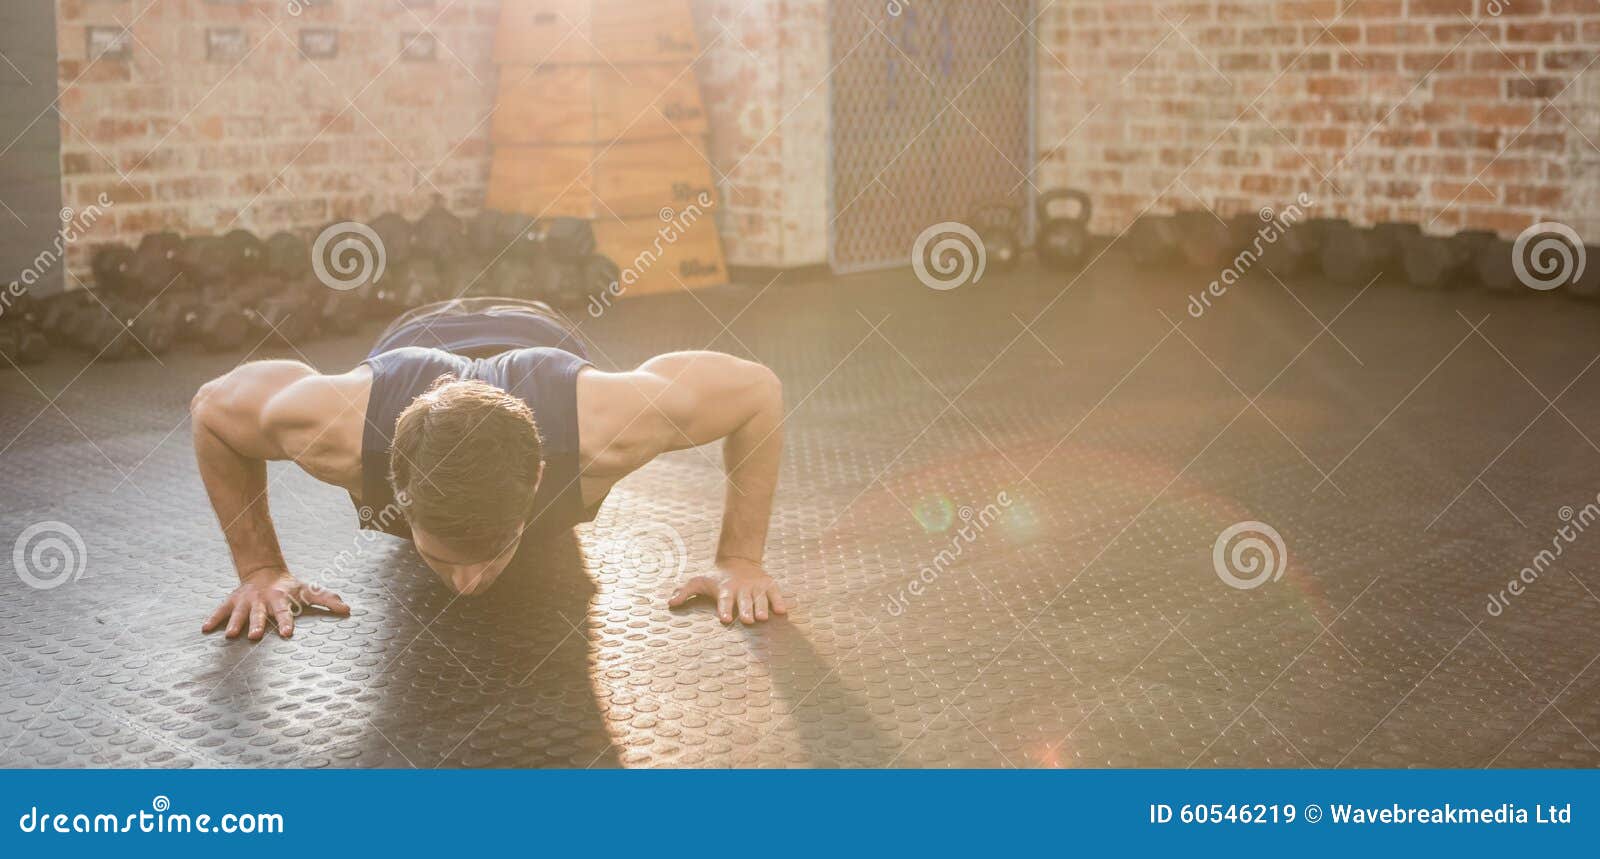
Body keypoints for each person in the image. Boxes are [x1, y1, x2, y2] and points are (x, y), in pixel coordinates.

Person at [190, 297, 788, 641]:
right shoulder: (338, 432)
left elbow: (757, 392)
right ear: (395, 484)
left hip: (534, 325)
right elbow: (213, 409)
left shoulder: (603, 429)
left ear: (537, 478)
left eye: (497, 550)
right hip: (418, 331)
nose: (468, 585)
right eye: (442, 558)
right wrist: (261, 569)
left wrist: (740, 560)